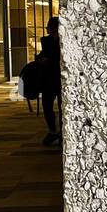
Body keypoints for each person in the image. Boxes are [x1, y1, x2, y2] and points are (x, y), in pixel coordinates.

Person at [38, 16, 62, 146]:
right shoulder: (45, 41)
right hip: (49, 78)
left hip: (60, 78)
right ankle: (52, 131)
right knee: (47, 105)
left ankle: (62, 133)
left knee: (62, 107)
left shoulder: (65, 40)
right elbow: (45, 54)